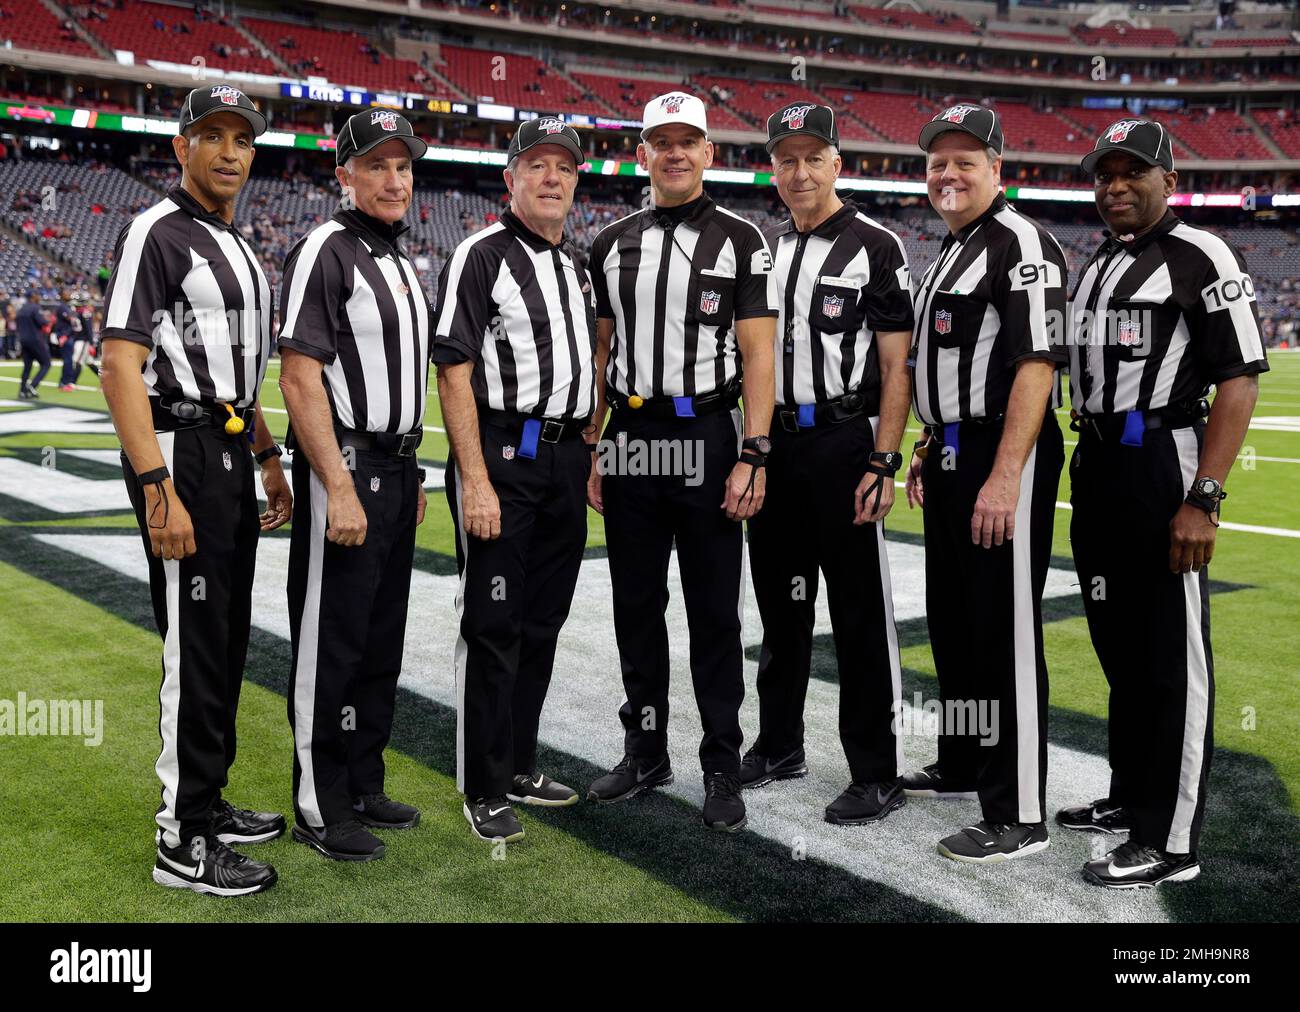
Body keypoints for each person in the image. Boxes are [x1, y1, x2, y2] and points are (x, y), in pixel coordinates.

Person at [1060, 119, 1268, 888]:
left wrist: (1203, 497)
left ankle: (1170, 840)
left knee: (1171, 657)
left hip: (1161, 460)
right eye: (1104, 175)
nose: (1115, 186)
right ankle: (1130, 795)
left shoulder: (1202, 253)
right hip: (1100, 462)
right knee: (1121, 647)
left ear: (1168, 179)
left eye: (1132, 173)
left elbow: (1239, 379)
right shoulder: (1096, 266)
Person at [99, 84, 289, 897]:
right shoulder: (157, 230)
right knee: (195, 647)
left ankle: (206, 804)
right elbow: (119, 363)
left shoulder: (236, 243)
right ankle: (181, 840)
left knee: (224, 642)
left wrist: (270, 455)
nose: (228, 151)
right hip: (181, 452)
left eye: (240, 139)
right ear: (181, 146)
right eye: (210, 134)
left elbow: (235, 378)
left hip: (229, 451)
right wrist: (155, 485)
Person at [584, 92, 778, 833]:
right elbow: (602, 354)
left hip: (706, 437)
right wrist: (598, 445)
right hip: (633, 433)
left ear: (708, 153)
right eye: (660, 141)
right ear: (643, 154)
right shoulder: (609, 242)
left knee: (713, 614)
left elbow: (759, 353)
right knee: (636, 605)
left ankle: (722, 763)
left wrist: (754, 453)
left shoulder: (741, 239)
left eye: (686, 141)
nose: (674, 152)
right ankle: (646, 748)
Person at [902, 105, 1068, 863]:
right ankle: (966, 760)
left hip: (1004, 452)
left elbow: (1036, 363)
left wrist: (1006, 473)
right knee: (957, 623)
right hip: (952, 452)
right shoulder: (951, 249)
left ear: (997, 169)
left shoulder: (1021, 242)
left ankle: (1020, 812)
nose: (949, 173)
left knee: (1002, 630)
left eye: (966, 161)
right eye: (939, 161)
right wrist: (931, 440)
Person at [744, 103, 914, 825]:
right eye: (787, 159)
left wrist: (884, 457)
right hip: (775, 447)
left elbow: (897, 366)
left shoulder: (876, 244)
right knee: (781, 611)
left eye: (814, 158)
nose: (800, 171)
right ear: (773, 170)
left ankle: (876, 771)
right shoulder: (765, 249)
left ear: (838, 164)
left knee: (857, 616)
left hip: (843, 443)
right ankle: (781, 743)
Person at [433, 118, 596, 842]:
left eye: (564, 167)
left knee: (542, 623)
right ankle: (482, 781)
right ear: (511, 178)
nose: (552, 178)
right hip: (504, 453)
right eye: (537, 166)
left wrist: (590, 449)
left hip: (564, 460)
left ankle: (521, 762)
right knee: (493, 624)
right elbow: (454, 370)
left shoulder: (580, 264)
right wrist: (475, 478)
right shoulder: (481, 254)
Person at [278, 109, 430, 862]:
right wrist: (336, 482)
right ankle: (318, 802)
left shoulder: (400, 258)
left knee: (379, 639)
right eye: (377, 166)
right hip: (348, 468)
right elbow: (300, 375)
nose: (394, 180)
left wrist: (414, 466)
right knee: (330, 642)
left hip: (397, 468)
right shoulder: (325, 249)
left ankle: (364, 779)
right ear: (344, 175)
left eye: (403, 167)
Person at [16, 291, 49, 398]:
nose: (38, 296)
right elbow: (42, 322)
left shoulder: (21, 309)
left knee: (27, 366)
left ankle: (22, 391)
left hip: (23, 340)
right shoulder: (35, 308)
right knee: (46, 363)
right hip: (34, 339)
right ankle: (33, 385)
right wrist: (47, 319)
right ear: (33, 297)